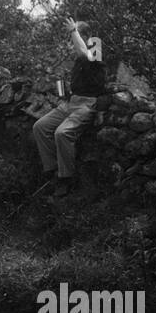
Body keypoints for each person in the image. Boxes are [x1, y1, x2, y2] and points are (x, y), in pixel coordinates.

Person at [33, 17, 107, 198]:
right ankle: (51, 172)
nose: (73, 40)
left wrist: (73, 31)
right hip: (71, 103)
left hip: (87, 104)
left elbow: (85, 54)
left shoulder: (96, 48)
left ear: (87, 36)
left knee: (62, 133)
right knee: (40, 127)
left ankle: (66, 178)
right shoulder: (76, 59)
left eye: (77, 35)